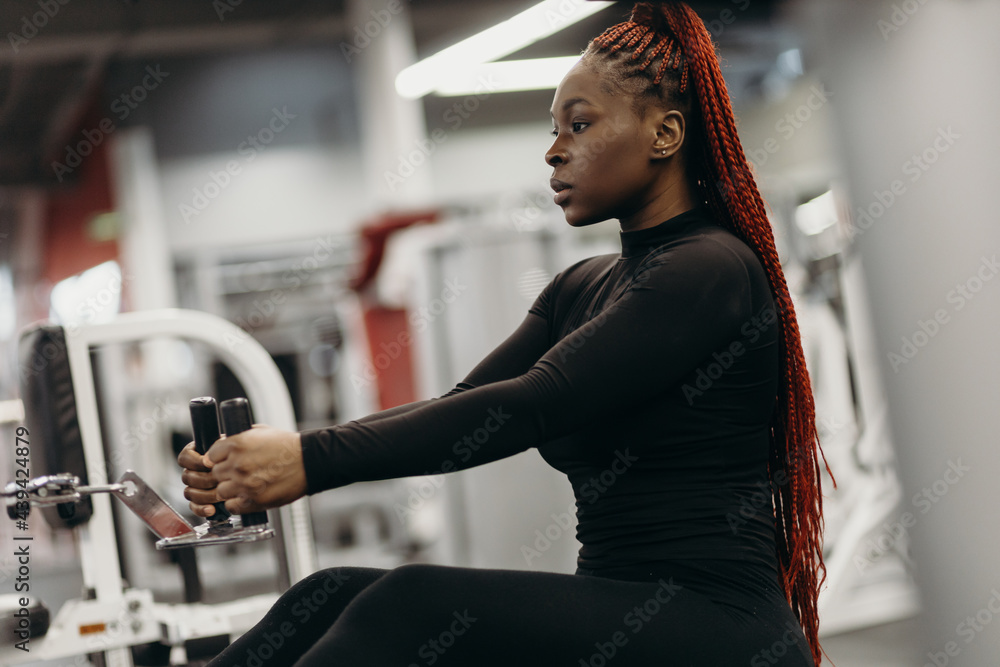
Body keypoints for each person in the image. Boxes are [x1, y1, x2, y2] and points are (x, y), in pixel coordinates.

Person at [178, 3, 832, 665]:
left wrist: (310, 459)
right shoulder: (579, 287)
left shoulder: (708, 268)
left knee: (410, 603)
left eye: (579, 125)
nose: (553, 150)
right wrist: (266, 459)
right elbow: (462, 404)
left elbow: (531, 403)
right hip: (621, 606)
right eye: (554, 129)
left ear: (664, 134)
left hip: (716, 624)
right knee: (322, 596)